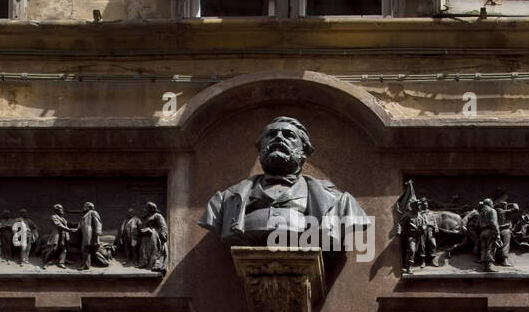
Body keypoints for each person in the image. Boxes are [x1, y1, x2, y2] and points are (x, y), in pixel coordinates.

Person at [199, 116, 366, 250]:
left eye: (289, 135)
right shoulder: (225, 200)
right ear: (260, 148)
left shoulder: (339, 202)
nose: (278, 138)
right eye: (271, 135)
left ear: (303, 151)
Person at [138, 202, 168, 272]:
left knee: (154, 249)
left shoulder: (158, 215)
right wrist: (144, 230)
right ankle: (144, 263)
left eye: (147, 208)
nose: (146, 209)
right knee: (144, 250)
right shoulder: (147, 217)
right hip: (146, 236)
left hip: (154, 235)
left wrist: (163, 235)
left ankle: (154, 265)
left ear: (152, 208)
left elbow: (163, 226)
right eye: (146, 208)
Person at [78, 201, 106, 269]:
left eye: (85, 206)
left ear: (89, 207)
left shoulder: (93, 212)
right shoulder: (86, 214)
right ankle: (104, 262)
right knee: (90, 250)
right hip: (86, 234)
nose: (83, 208)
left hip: (89, 235)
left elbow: (98, 224)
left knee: (85, 249)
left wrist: (97, 236)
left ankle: (86, 265)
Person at [46, 204, 75, 269]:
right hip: (57, 235)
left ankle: (61, 263)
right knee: (53, 249)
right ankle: (46, 261)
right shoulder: (53, 217)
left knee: (64, 249)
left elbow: (70, 224)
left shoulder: (63, 219)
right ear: (57, 210)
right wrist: (69, 230)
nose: (62, 210)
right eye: (61, 209)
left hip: (64, 236)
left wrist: (80, 224)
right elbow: (58, 225)